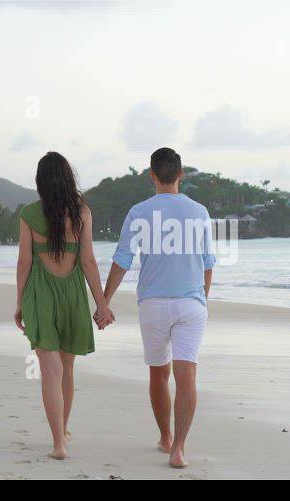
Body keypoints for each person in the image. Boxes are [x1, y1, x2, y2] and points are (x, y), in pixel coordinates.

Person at [101, 147, 215, 468]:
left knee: (159, 374)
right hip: (190, 304)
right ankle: (179, 448)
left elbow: (122, 259)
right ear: (180, 174)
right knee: (186, 374)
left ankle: (165, 437)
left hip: (152, 304)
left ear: (151, 175)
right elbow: (208, 263)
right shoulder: (199, 212)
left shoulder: (139, 211)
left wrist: (104, 303)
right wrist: (201, 297)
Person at [15, 151, 114, 460]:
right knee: (67, 368)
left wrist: (19, 304)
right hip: (72, 294)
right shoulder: (82, 212)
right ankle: (64, 431)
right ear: (69, 179)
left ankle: (58, 443)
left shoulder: (30, 214)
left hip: (40, 294)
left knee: (50, 371)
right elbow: (87, 260)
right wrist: (102, 304)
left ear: (40, 182)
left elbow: (24, 263)